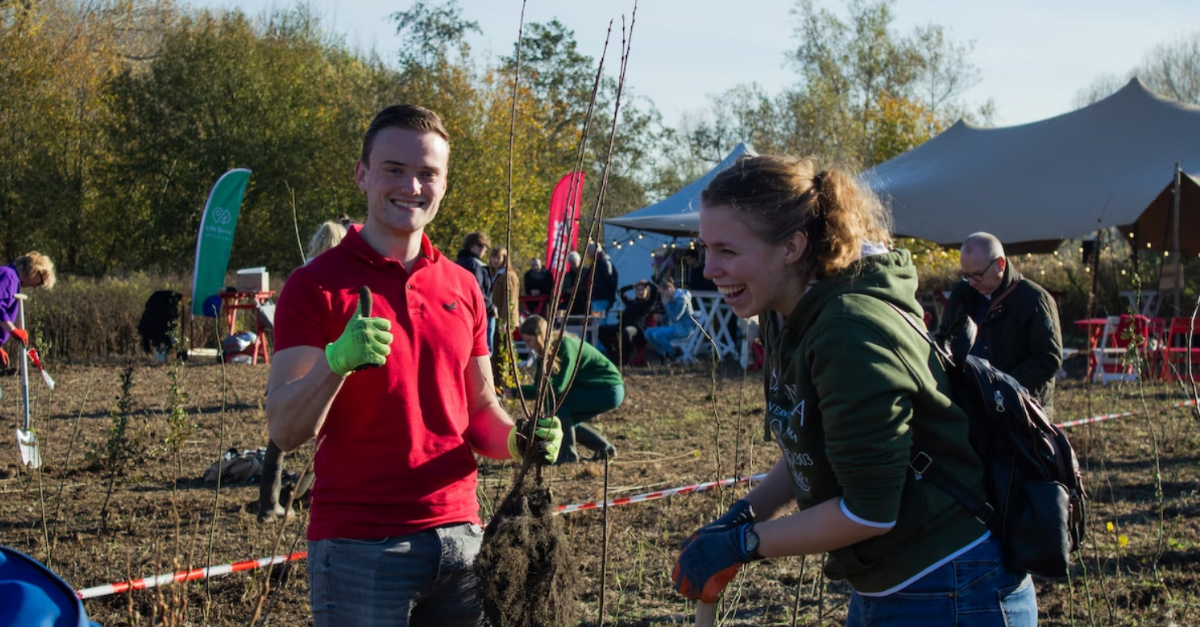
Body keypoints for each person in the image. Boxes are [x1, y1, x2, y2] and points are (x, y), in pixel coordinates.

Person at [672, 155, 1036, 626]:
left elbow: (870, 512)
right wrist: (744, 515)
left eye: (727, 251)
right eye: (705, 249)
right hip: (894, 581)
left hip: (953, 587)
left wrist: (744, 544)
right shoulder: (786, 315)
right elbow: (809, 443)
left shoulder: (847, 331)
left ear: (792, 246)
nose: (708, 269)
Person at [266, 104, 562, 627]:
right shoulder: (313, 286)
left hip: (462, 540)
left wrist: (518, 440)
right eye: (394, 170)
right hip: (359, 548)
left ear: (444, 184)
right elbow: (285, 429)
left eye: (427, 173)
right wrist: (335, 363)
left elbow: (480, 410)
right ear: (362, 174)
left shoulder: (463, 286)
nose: (412, 186)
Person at [258, 220, 349, 523]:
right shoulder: (330, 276)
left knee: (279, 443)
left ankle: (275, 500)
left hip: (294, 367)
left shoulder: (306, 273)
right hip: (320, 370)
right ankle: (291, 496)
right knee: (318, 439)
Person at [937, 232, 1062, 416]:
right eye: (966, 275)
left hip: (1020, 413)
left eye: (977, 275)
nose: (971, 283)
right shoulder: (961, 295)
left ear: (1000, 264)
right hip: (972, 408)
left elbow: (1049, 358)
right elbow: (944, 339)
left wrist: (1002, 387)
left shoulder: (1034, 300)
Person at [517, 315, 620, 464]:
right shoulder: (543, 353)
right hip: (593, 387)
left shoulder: (565, 346)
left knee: (561, 410)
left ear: (540, 336)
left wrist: (517, 392)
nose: (528, 345)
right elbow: (539, 387)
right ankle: (605, 449)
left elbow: (559, 387)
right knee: (565, 419)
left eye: (529, 340)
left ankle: (567, 456)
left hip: (608, 388)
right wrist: (519, 393)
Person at [0, 252, 55, 370]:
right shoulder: (9, 277)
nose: (35, 287)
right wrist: (14, 330)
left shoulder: (12, 280)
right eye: (40, 282)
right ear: (35, 271)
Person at [598, 280, 661, 364]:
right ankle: (613, 354)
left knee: (626, 332)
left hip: (636, 328)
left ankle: (624, 359)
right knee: (600, 330)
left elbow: (656, 290)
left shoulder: (648, 303)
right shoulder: (631, 302)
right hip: (622, 325)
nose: (641, 292)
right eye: (638, 290)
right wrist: (632, 286)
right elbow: (620, 292)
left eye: (643, 290)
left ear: (647, 291)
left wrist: (647, 283)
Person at [456, 232, 497, 354]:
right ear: (470, 245)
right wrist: (491, 307)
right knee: (483, 351)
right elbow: (476, 292)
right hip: (478, 313)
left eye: (485, 246)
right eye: (480, 245)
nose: (483, 249)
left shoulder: (459, 262)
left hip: (462, 312)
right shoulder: (473, 265)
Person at [642, 277, 695, 362]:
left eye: (662, 293)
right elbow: (672, 315)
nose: (662, 296)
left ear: (668, 289)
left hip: (683, 329)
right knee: (648, 333)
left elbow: (675, 317)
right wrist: (663, 317)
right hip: (675, 326)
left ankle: (673, 353)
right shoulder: (672, 298)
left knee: (657, 335)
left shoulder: (682, 300)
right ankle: (663, 355)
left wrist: (666, 304)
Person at [489, 246, 521, 345]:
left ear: (505, 259)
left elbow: (510, 300)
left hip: (505, 321)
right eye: (493, 257)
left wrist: (504, 321)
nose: (495, 260)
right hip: (495, 318)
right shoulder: (494, 274)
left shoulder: (508, 275)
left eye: (498, 257)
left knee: (504, 349)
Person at [581, 242, 618, 312]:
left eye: (589, 250)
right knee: (596, 317)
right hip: (596, 298)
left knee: (598, 317)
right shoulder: (597, 263)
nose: (587, 253)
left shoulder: (603, 263)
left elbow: (610, 280)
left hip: (601, 298)